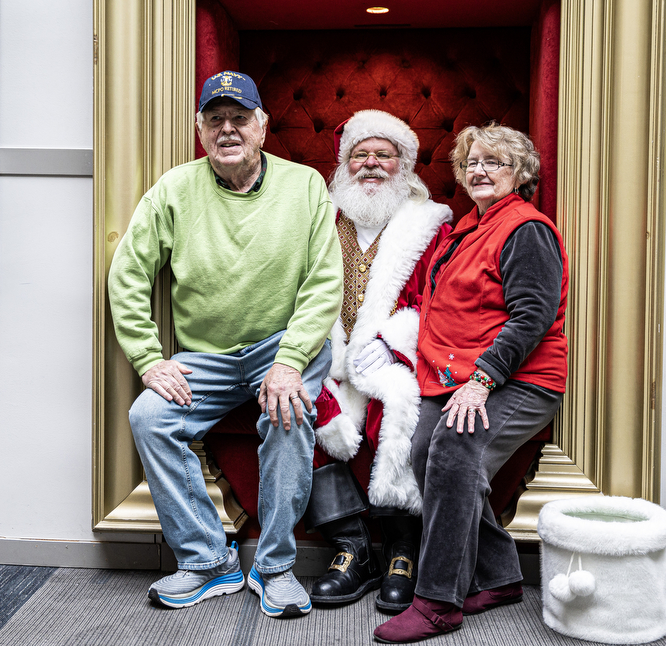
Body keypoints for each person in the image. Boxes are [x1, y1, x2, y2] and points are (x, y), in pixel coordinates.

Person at [107, 70, 342, 619]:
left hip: (282, 346)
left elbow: (325, 281)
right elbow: (129, 273)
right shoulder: (174, 188)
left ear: (262, 126)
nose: (227, 130)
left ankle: (275, 566)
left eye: (240, 119)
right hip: (205, 356)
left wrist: (289, 361)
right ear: (200, 129)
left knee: (288, 415)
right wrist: (147, 357)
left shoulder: (304, 184)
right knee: (149, 418)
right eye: (215, 120)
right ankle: (210, 560)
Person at [373, 122, 569, 643]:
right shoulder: (467, 227)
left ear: (520, 173)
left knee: (455, 455)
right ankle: (501, 577)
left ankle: (438, 601)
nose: (480, 171)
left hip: (517, 379)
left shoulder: (527, 229)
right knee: (422, 453)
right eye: (472, 163)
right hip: (455, 378)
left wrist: (483, 379)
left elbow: (531, 317)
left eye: (494, 162)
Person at [307, 110, 452, 613]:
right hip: (324, 354)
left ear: (404, 165)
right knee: (306, 409)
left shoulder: (430, 225)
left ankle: (401, 547)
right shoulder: (317, 217)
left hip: (398, 358)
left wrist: (394, 341)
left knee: (392, 410)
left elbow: (438, 300)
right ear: (344, 163)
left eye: (382, 155)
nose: (370, 165)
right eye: (359, 154)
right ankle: (350, 548)